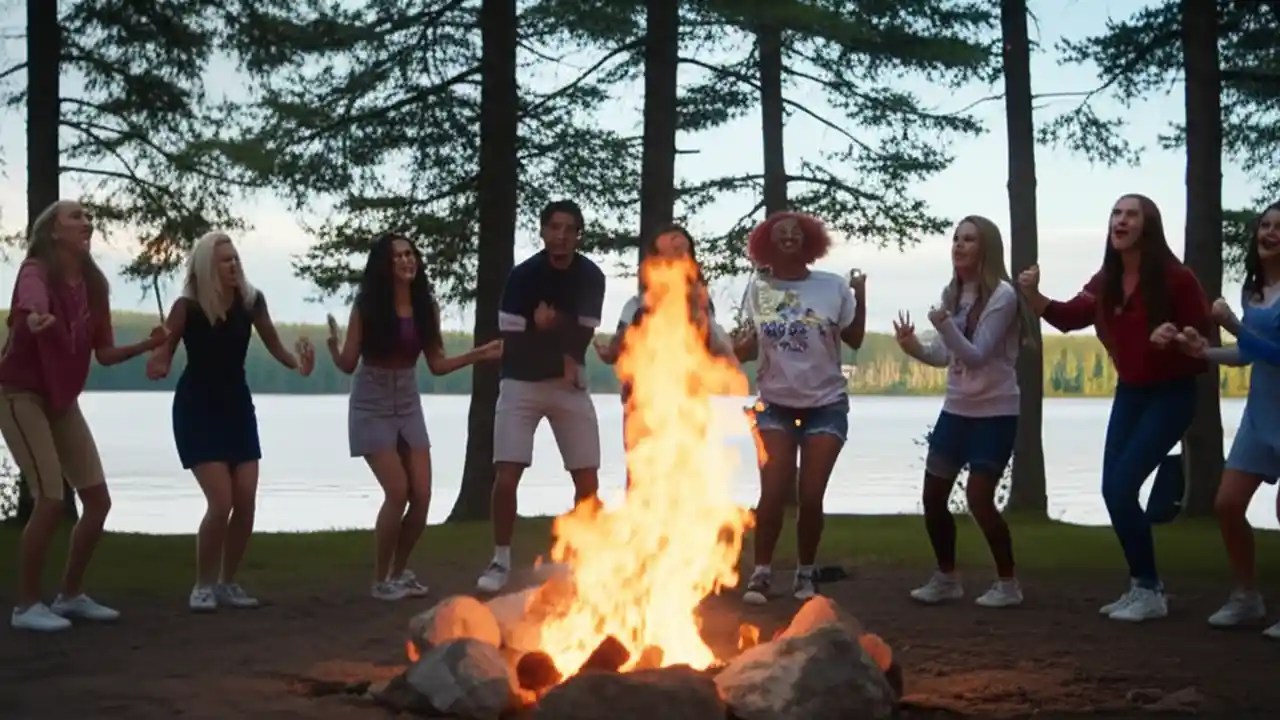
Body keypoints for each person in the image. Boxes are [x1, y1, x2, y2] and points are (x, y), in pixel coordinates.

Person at [1017, 193, 1210, 623]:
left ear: (1149, 226)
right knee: (1112, 490)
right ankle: (1141, 584)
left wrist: (1177, 338)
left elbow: (1205, 345)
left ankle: (1150, 590)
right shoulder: (1106, 280)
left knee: (1123, 487)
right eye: (1116, 214)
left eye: (1131, 215)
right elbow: (1067, 318)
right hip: (1131, 393)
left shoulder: (1177, 279)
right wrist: (1033, 294)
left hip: (1172, 393)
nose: (1120, 221)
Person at [0, 199, 167, 632]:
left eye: (88, 218)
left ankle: (70, 595)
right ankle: (26, 606)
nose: (86, 223)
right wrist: (34, 316)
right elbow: (30, 302)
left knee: (97, 500)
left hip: (61, 400)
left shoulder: (94, 285)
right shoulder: (36, 269)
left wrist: (147, 346)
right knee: (51, 497)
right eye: (75, 217)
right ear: (53, 230)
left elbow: (105, 353)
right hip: (19, 394)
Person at [145, 231, 316, 612]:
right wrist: (157, 361)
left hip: (237, 405)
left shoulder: (252, 302)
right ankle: (202, 585)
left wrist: (299, 363)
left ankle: (228, 582)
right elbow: (163, 354)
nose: (234, 265)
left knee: (246, 498)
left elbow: (275, 345)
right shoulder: (187, 307)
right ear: (208, 265)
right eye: (225, 260)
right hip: (198, 407)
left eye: (236, 258)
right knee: (220, 502)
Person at [328, 232, 501, 601]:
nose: (407, 261)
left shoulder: (425, 307)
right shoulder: (367, 308)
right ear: (383, 266)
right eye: (397, 257)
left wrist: (479, 354)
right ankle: (380, 580)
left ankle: (399, 571)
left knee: (421, 495)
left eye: (410, 254)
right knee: (397, 491)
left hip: (407, 402)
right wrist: (331, 345)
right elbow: (346, 363)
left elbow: (436, 365)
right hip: (371, 403)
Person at [893, 216, 1038, 608]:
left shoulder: (1003, 296)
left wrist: (943, 325)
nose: (959, 246)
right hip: (956, 410)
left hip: (995, 413)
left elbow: (976, 355)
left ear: (986, 247)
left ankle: (1008, 584)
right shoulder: (951, 293)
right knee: (933, 495)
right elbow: (948, 356)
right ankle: (946, 578)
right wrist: (914, 349)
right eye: (956, 239)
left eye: (969, 240)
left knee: (978, 497)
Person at [732, 210, 865, 604]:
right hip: (773, 403)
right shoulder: (759, 290)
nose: (788, 237)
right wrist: (725, 344)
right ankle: (761, 573)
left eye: (795, 232)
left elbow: (854, 337)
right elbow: (747, 348)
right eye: (779, 233)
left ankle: (805, 574)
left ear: (809, 241)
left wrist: (861, 293)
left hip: (825, 404)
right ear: (767, 244)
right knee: (772, 491)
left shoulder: (831, 287)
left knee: (810, 495)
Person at [477, 199, 606, 594]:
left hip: (569, 384)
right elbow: (512, 336)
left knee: (586, 476)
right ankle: (500, 558)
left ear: (578, 234)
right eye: (554, 227)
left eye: (569, 228)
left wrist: (558, 332)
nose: (561, 236)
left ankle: (587, 558)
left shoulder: (590, 276)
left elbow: (583, 333)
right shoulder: (523, 277)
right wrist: (551, 339)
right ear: (543, 231)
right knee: (508, 472)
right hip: (521, 382)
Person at [1175, 202, 1280, 636]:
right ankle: (1246, 597)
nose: (1270, 233)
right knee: (1227, 504)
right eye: (1266, 225)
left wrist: (1234, 326)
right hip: (1261, 415)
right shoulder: (1254, 292)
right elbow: (1248, 356)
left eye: (1279, 228)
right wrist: (1203, 353)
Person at [594, 224, 736, 487]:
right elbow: (617, 349)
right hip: (642, 402)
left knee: (687, 474)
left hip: (688, 402)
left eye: (683, 251)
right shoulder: (637, 305)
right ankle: (638, 526)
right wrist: (608, 352)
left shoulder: (702, 303)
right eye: (670, 251)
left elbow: (715, 349)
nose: (676, 257)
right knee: (639, 473)